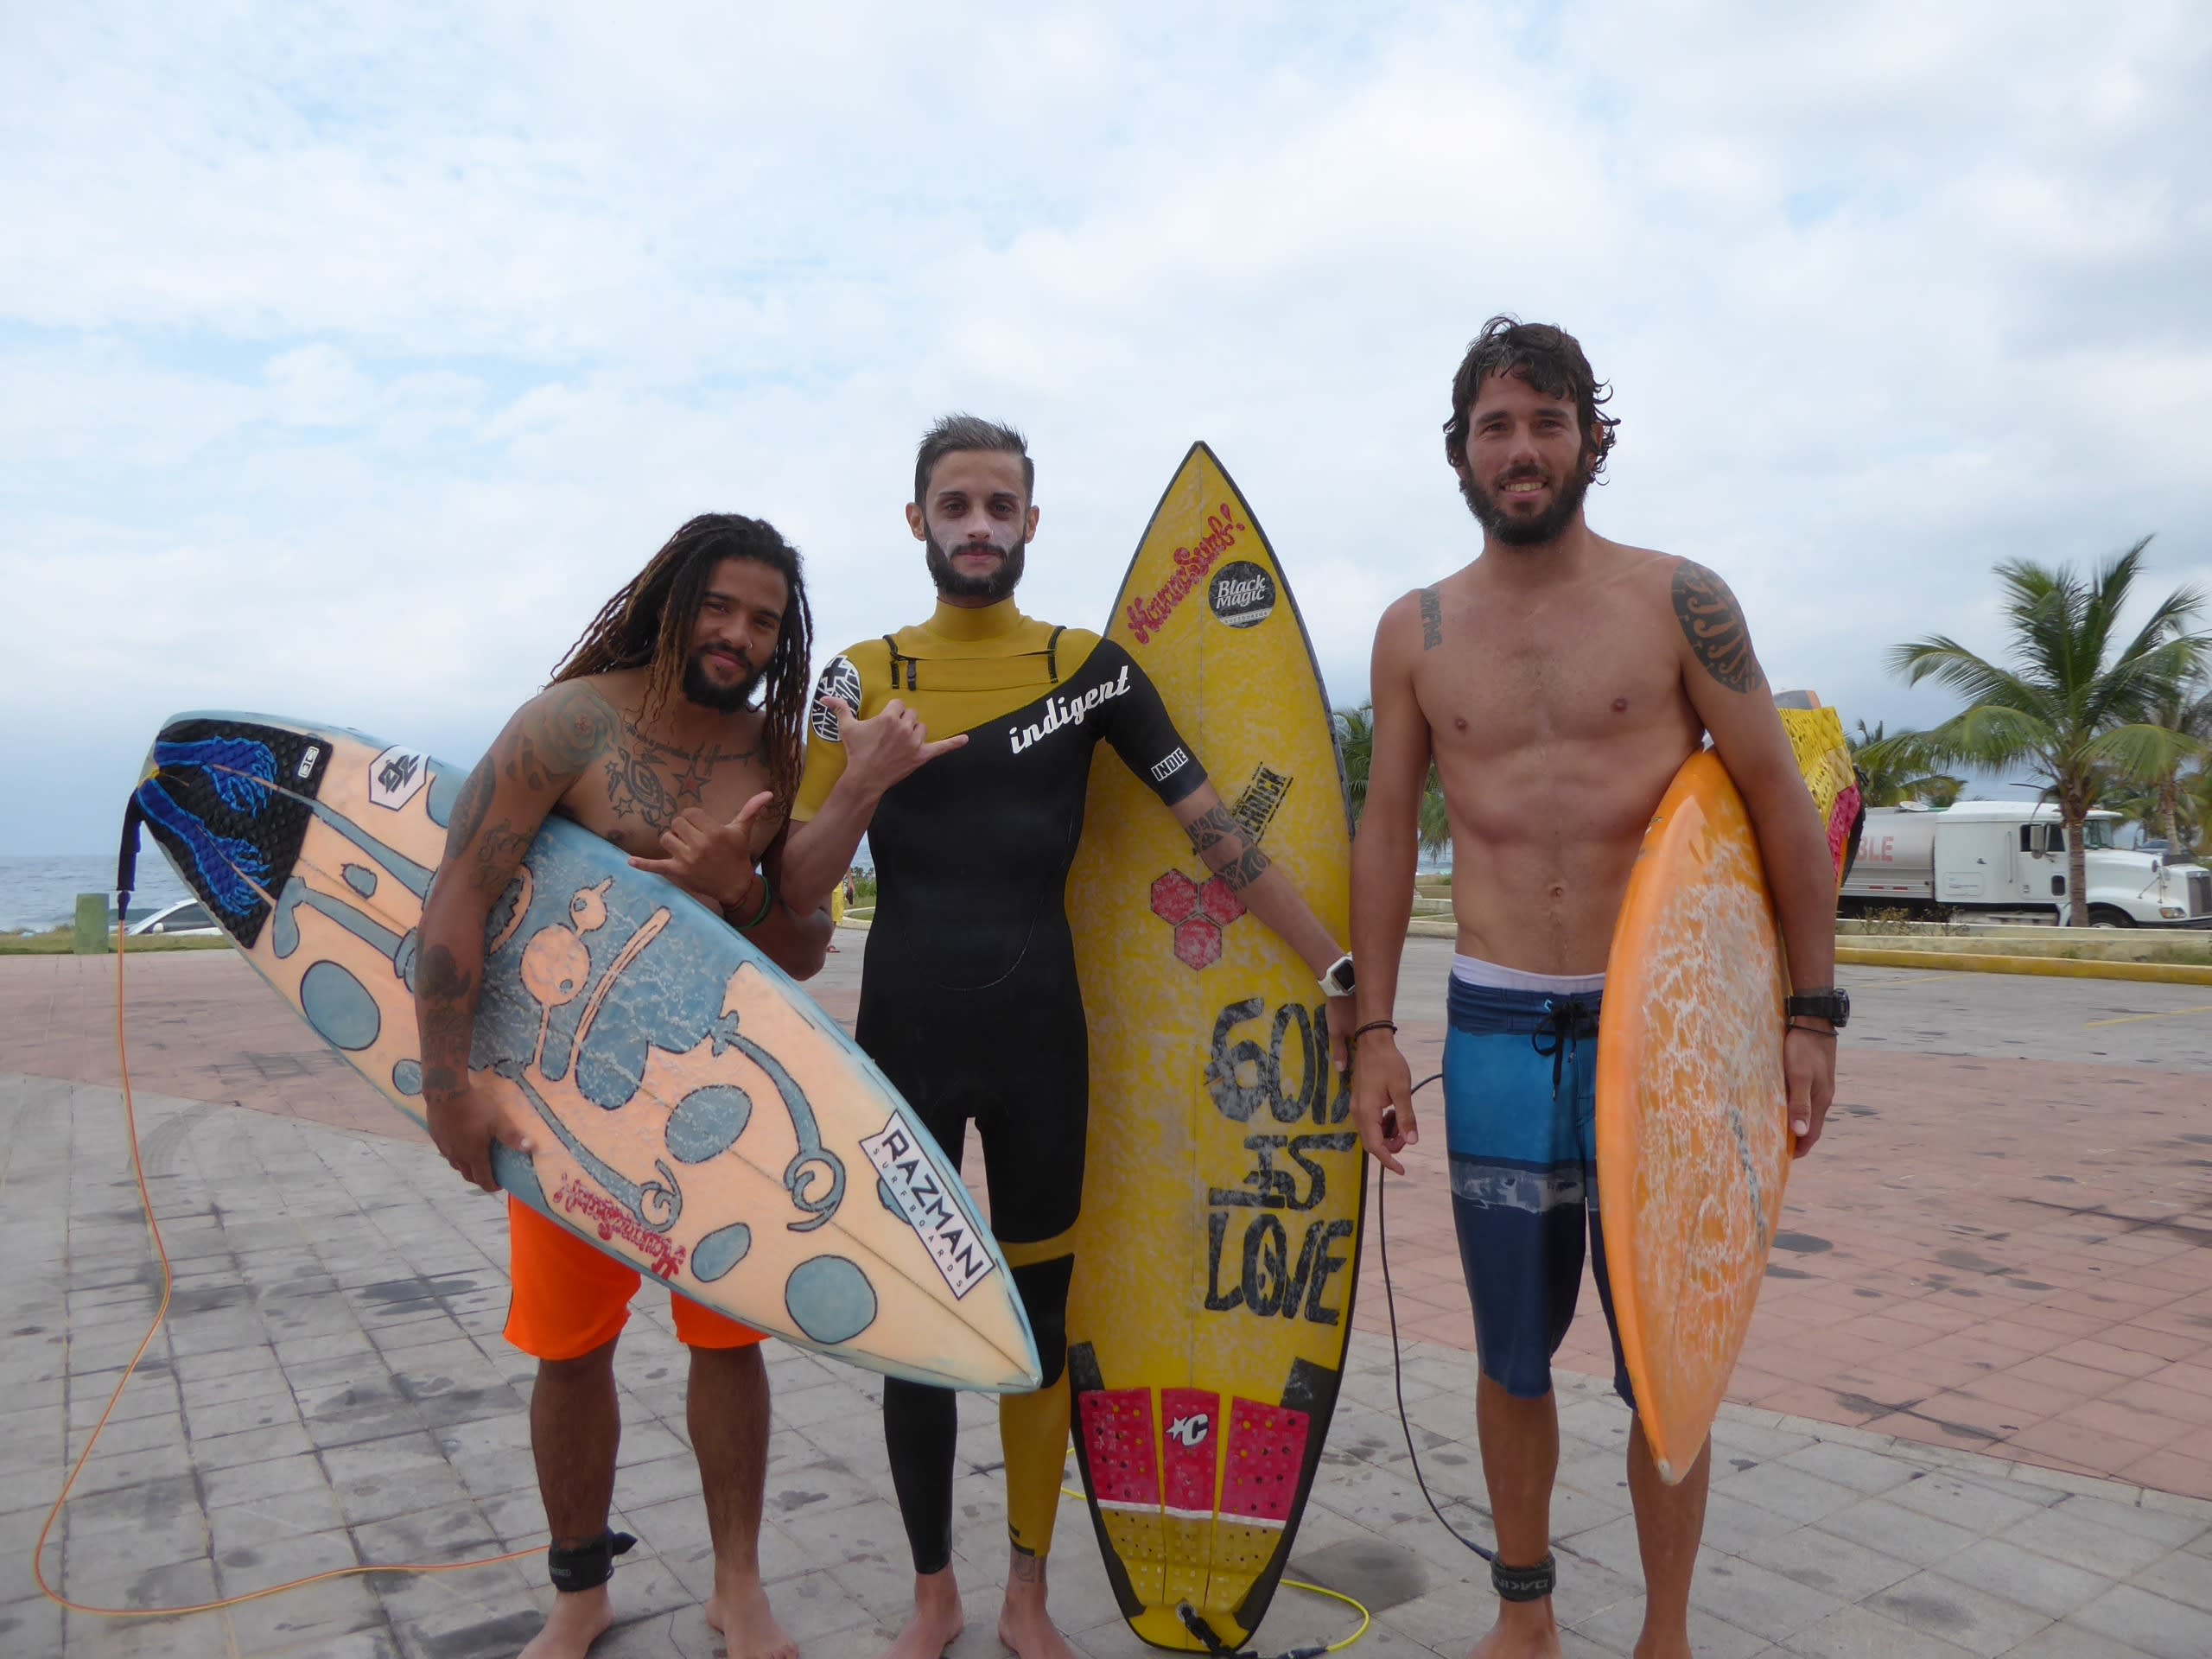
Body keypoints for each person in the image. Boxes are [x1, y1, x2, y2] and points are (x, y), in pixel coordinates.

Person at [776, 416, 1353, 1659]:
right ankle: (934, 1592)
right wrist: (864, 779)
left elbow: (1216, 836)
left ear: (1031, 525)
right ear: (916, 519)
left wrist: (1337, 969)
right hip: (908, 1035)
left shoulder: (1090, 672)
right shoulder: (857, 680)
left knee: (1039, 1325)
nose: (976, 525)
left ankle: (1026, 1589)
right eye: (954, 504)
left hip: (1042, 1035)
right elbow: (796, 891)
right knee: (920, 1324)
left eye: (999, 506)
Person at [1348, 318, 1842, 1659]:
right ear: (1459, 452)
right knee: (1513, 1353)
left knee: (1664, 1356)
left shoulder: (1679, 600)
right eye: (1496, 427)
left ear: (1591, 441)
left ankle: (1665, 1633)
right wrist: (1375, 1031)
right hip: (1500, 1021)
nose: (1522, 450)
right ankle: (1529, 1617)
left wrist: (1814, 1010)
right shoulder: (1415, 630)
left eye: (1547, 422)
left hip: (1666, 1036)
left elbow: (1778, 803)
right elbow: (1386, 830)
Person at [415, 514, 833, 1659]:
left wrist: (737, 890)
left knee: (728, 1340)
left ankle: (736, 1584)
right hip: (558, 1092)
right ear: (675, 596)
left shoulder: (775, 757)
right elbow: (460, 889)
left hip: (717, 1097)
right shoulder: (571, 723)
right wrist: (447, 1085)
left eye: (763, 620)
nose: (739, 634)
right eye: (722, 606)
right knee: (570, 1347)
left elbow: (804, 951)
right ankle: (578, 1590)